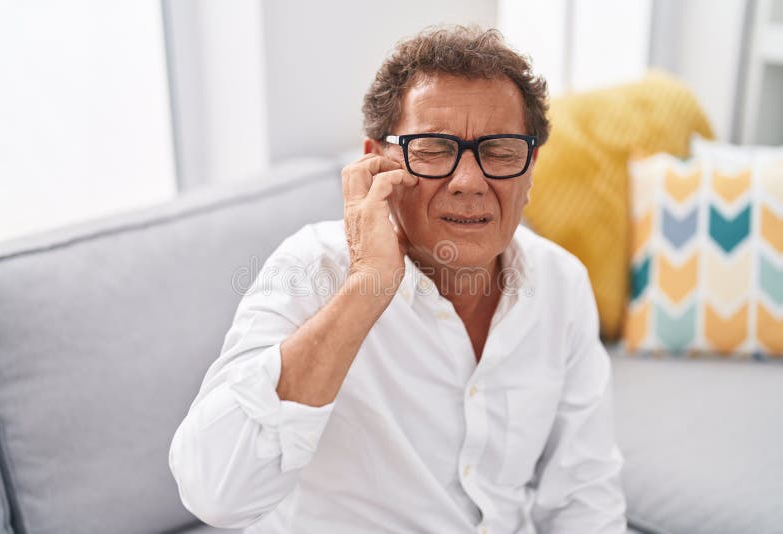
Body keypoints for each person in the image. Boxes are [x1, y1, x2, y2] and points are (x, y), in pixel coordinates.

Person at [169, 25, 627, 534]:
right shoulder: (312, 266)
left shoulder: (561, 282)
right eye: (433, 149)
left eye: (500, 151)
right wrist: (367, 285)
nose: (470, 182)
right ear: (377, 161)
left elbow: (584, 494)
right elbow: (214, 493)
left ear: (531, 166)